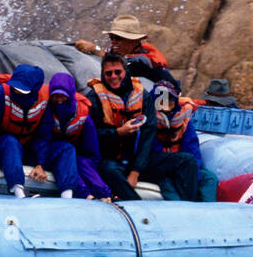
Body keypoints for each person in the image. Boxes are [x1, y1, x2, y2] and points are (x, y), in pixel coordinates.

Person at [87, 53, 197, 201]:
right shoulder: (94, 97)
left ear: (125, 72)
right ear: (103, 74)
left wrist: (135, 171)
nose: (113, 76)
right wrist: (118, 133)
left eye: (118, 72)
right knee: (109, 170)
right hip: (110, 160)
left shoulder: (142, 96)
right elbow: (90, 136)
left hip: (138, 161)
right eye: (108, 73)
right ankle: (137, 206)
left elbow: (148, 137)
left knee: (187, 160)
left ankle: (189, 207)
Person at [0, 65, 65, 198]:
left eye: (22, 89)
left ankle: (67, 195)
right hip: (0, 147)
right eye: (15, 87)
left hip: (26, 149)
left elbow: (43, 136)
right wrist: (3, 160)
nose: (16, 91)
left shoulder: (43, 100)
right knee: (10, 141)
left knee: (66, 148)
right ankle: (19, 192)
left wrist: (40, 163)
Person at [42, 73, 111, 200]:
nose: (59, 100)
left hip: (72, 154)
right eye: (55, 95)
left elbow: (91, 149)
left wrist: (91, 168)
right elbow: (40, 139)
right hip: (49, 153)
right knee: (67, 152)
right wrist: (39, 163)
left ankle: (104, 194)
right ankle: (84, 194)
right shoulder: (45, 108)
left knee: (82, 162)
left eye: (62, 95)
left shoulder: (82, 114)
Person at [74, 14, 179, 90]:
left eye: (118, 38)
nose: (113, 41)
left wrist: (95, 49)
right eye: (112, 37)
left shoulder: (144, 59)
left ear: (133, 41)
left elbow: (124, 67)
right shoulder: (114, 52)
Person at [151, 83, 215, 202]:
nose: (166, 105)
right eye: (162, 101)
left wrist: (192, 176)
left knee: (209, 178)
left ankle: (208, 209)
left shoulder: (184, 122)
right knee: (167, 182)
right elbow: (153, 152)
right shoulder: (149, 121)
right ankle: (184, 208)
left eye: (170, 100)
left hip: (185, 166)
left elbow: (193, 150)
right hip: (163, 170)